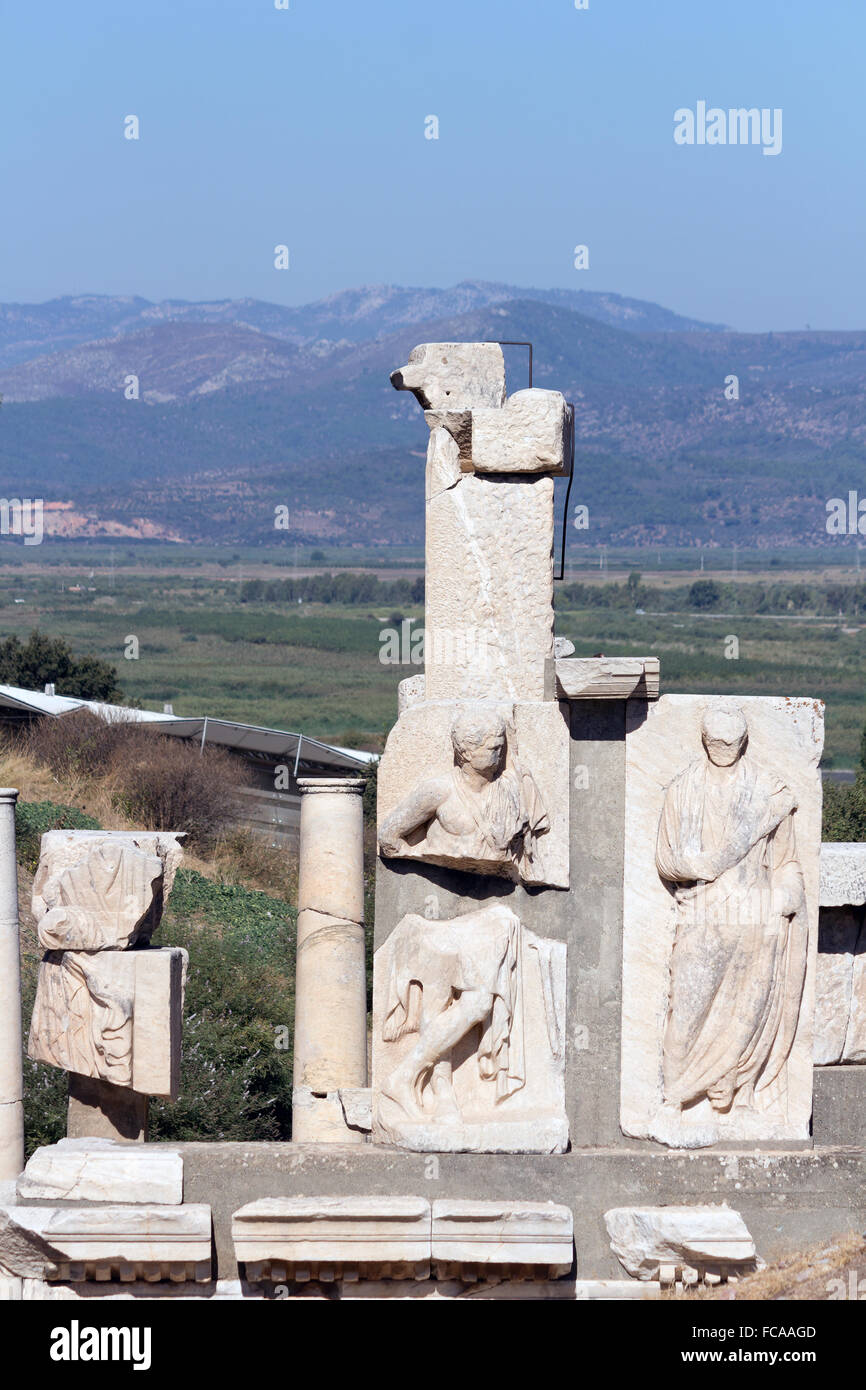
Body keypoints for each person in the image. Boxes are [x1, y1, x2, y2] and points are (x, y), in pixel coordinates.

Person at [656, 702, 807, 1115]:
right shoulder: (683, 789)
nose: (724, 747)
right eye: (717, 740)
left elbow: (787, 862)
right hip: (702, 914)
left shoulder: (769, 792)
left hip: (755, 918)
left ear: (743, 741)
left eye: (733, 741)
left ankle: (736, 1094)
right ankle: (674, 1097)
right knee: (686, 1011)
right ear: (705, 739)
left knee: (748, 1010)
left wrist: (784, 896)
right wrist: (697, 865)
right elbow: (665, 859)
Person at [378, 708, 549, 882]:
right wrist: (418, 861)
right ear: (466, 752)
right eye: (493, 748)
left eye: (501, 747)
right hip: (444, 879)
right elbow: (388, 836)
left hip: (498, 880)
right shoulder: (439, 790)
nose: (499, 754)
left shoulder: (513, 787)